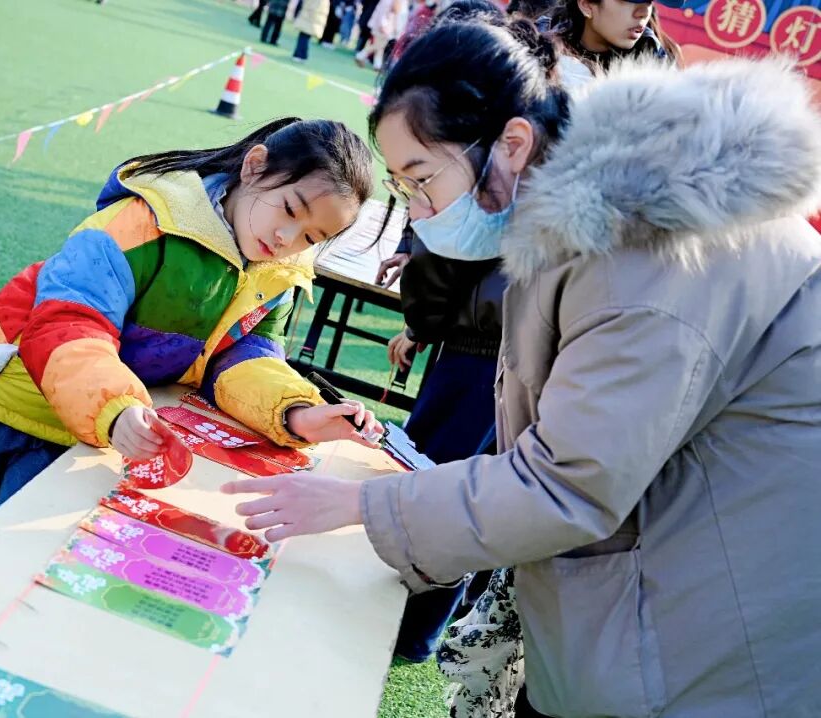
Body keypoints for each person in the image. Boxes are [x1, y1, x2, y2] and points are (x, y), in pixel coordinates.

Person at [224, 17, 821, 718]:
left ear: (512, 142)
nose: (419, 211)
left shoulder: (650, 249)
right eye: (402, 186)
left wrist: (364, 505)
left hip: (716, 634)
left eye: (421, 180)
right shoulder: (584, 221)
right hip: (676, 592)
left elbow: (568, 480)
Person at [0, 118, 383, 562]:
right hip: (7, 398)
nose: (287, 239)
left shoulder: (278, 273)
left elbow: (245, 354)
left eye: (311, 236)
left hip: (98, 423)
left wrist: (298, 413)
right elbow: (68, 321)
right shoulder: (144, 222)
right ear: (254, 165)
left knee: (17, 559)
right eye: (289, 209)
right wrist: (117, 406)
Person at [546, 0, 682, 70]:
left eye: (649, 1)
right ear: (586, 5)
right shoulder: (538, 56)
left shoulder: (660, 62)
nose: (643, 13)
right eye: (628, 1)